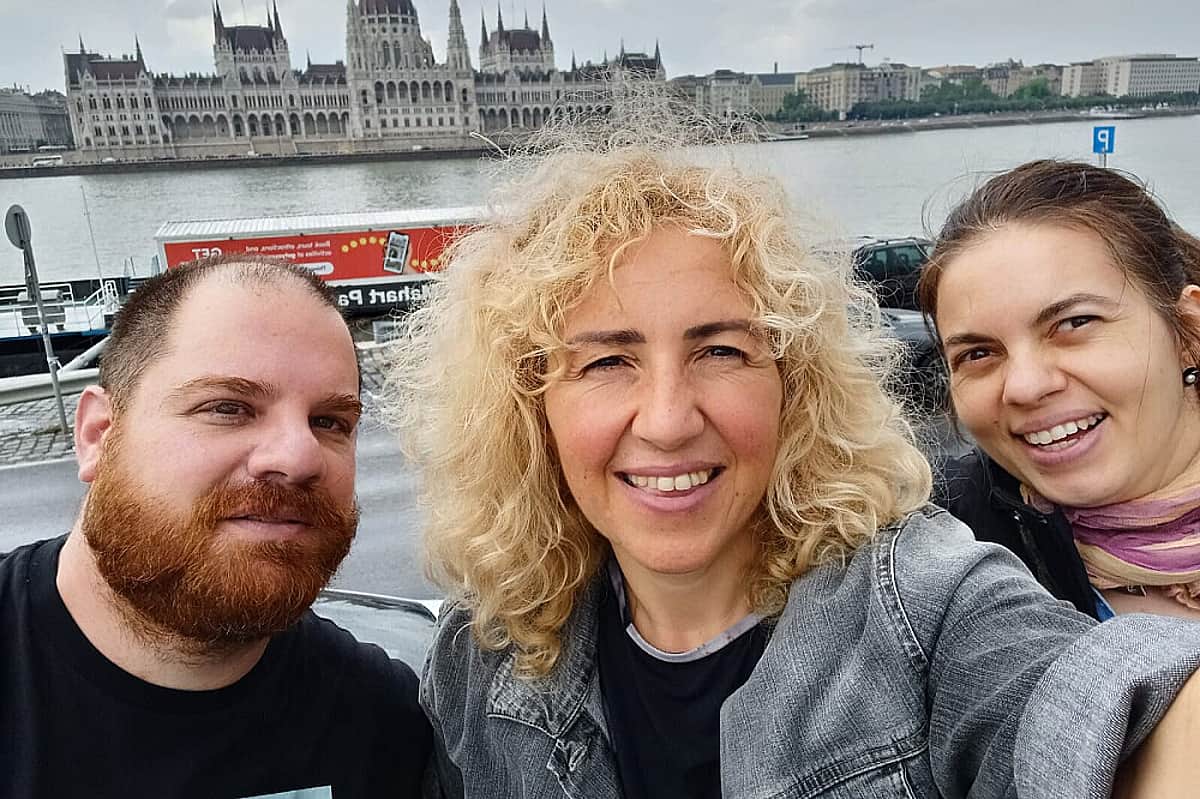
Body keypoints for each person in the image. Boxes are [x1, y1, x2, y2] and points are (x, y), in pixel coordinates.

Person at [388, 121, 1200, 798]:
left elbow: (1091, 707)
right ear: (533, 409)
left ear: (794, 387)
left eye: (721, 350)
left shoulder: (922, 605)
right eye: (607, 362)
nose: (669, 421)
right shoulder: (480, 656)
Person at [0, 257, 430, 798]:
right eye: (228, 407)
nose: (300, 457)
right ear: (98, 436)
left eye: (329, 422)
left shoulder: (385, 723)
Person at [921, 159, 1200, 622]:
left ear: (1188, 333)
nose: (1026, 387)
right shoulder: (937, 565)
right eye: (978, 354)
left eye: (1074, 323)